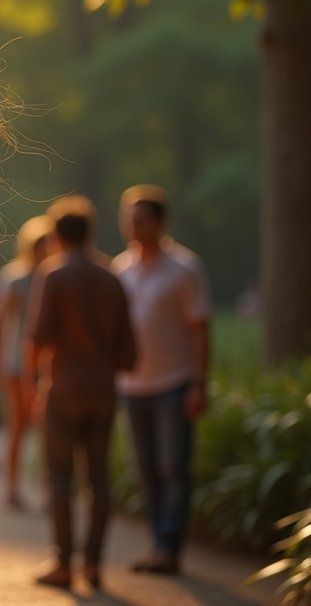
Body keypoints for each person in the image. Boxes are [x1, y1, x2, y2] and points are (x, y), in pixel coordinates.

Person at [25, 196, 137, 590]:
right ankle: (93, 563)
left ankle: (63, 562)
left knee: (59, 477)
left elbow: (38, 336)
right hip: (102, 390)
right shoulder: (111, 277)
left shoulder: (53, 274)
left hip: (64, 389)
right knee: (98, 478)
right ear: (91, 232)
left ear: (56, 235)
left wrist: (32, 383)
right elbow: (130, 352)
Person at [112, 185, 210, 575]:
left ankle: (170, 547)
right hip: (132, 385)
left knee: (173, 467)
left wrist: (199, 383)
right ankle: (157, 544)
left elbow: (199, 328)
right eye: (128, 219)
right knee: (145, 469)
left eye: (141, 219)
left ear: (160, 223)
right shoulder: (121, 268)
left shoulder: (184, 268)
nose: (133, 226)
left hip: (174, 381)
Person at [0, 215, 54, 511]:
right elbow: (2, 323)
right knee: (17, 427)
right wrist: (1, 362)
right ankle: (12, 489)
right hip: (17, 363)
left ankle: (48, 490)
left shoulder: (54, 276)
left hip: (47, 365)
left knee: (47, 431)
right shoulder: (16, 278)